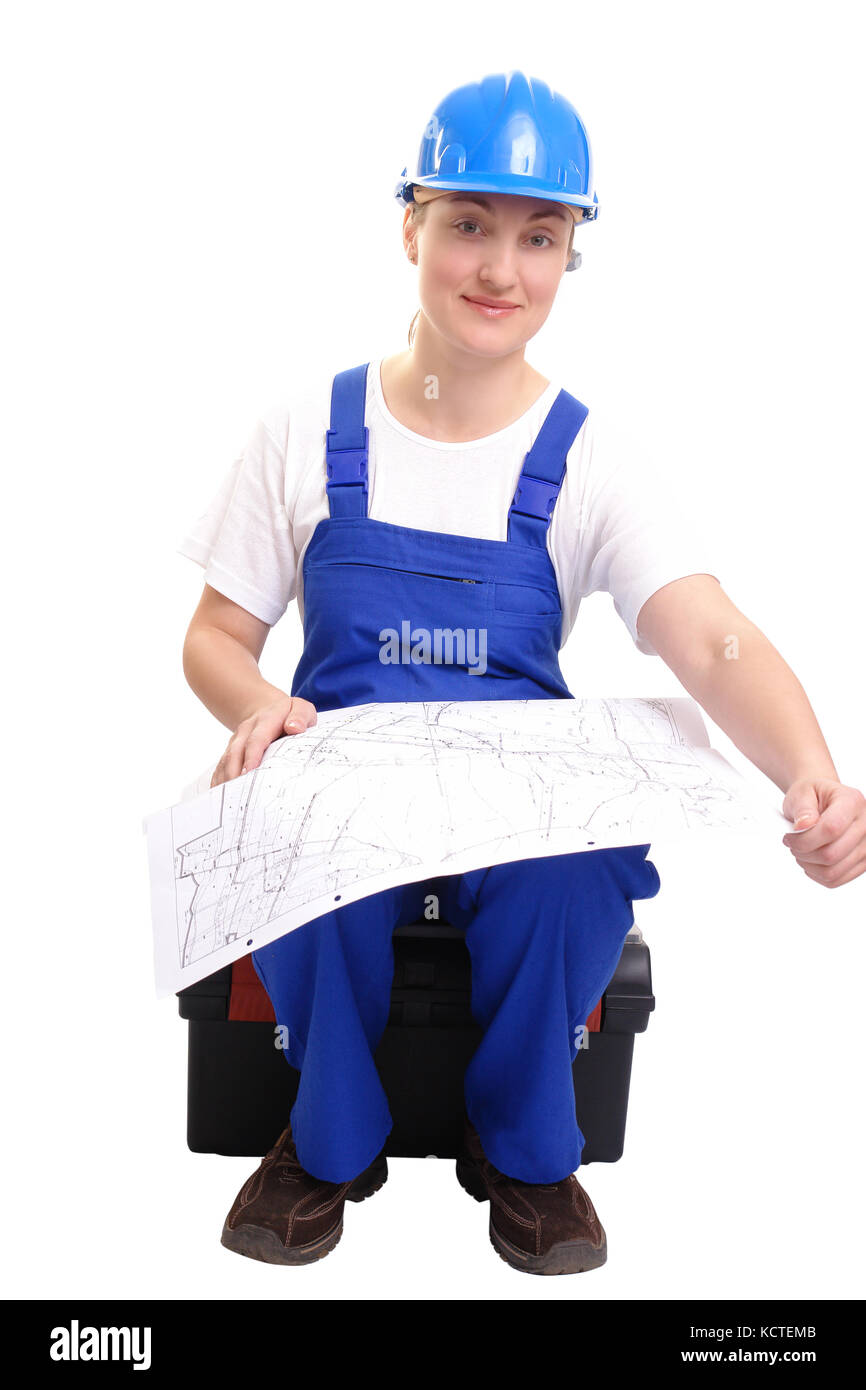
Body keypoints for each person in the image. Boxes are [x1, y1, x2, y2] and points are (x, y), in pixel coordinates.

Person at [178, 71, 866, 1275]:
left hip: (512, 804)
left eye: (536, 236)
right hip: (345, 781)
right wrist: (262, 710)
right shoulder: (303, 428)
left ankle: (526, 1150)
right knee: (277, 826)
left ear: (567, 255)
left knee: (581, 865)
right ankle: (327, 1138)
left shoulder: (586, 455)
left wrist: (810, 772)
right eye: (467, 226)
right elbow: (212, 637)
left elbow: (707, 635)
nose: (500, 269)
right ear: (410, 226)